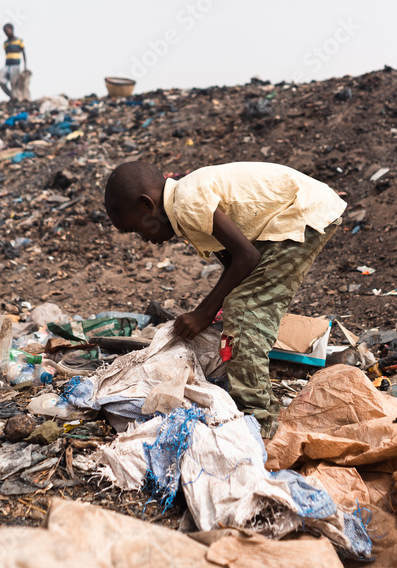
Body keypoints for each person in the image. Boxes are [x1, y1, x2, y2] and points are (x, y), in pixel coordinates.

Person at [104, 161, 346, 437]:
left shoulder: (186, 203)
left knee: (245, 311)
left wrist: (205, 314)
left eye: (138, 229)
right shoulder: (184, 203)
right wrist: (203, 310)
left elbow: (247, 258)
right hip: (292, 214)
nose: (144, 239)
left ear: (146, 205)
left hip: (301, 214)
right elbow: (234, 262)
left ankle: (260, 425)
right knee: (239, 303)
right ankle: (257, 410)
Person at [0, 23, 26, 99]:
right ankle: (11, 95)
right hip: (7, 65)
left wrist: (25, 66)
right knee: (1, 81)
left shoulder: (19, 41)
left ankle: (15, 98)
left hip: (16, 65)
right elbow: (6, 53)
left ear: (12, 30)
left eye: (7, 31)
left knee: (14, 83)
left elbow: (23, 52)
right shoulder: (6, 43)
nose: (7, 33)